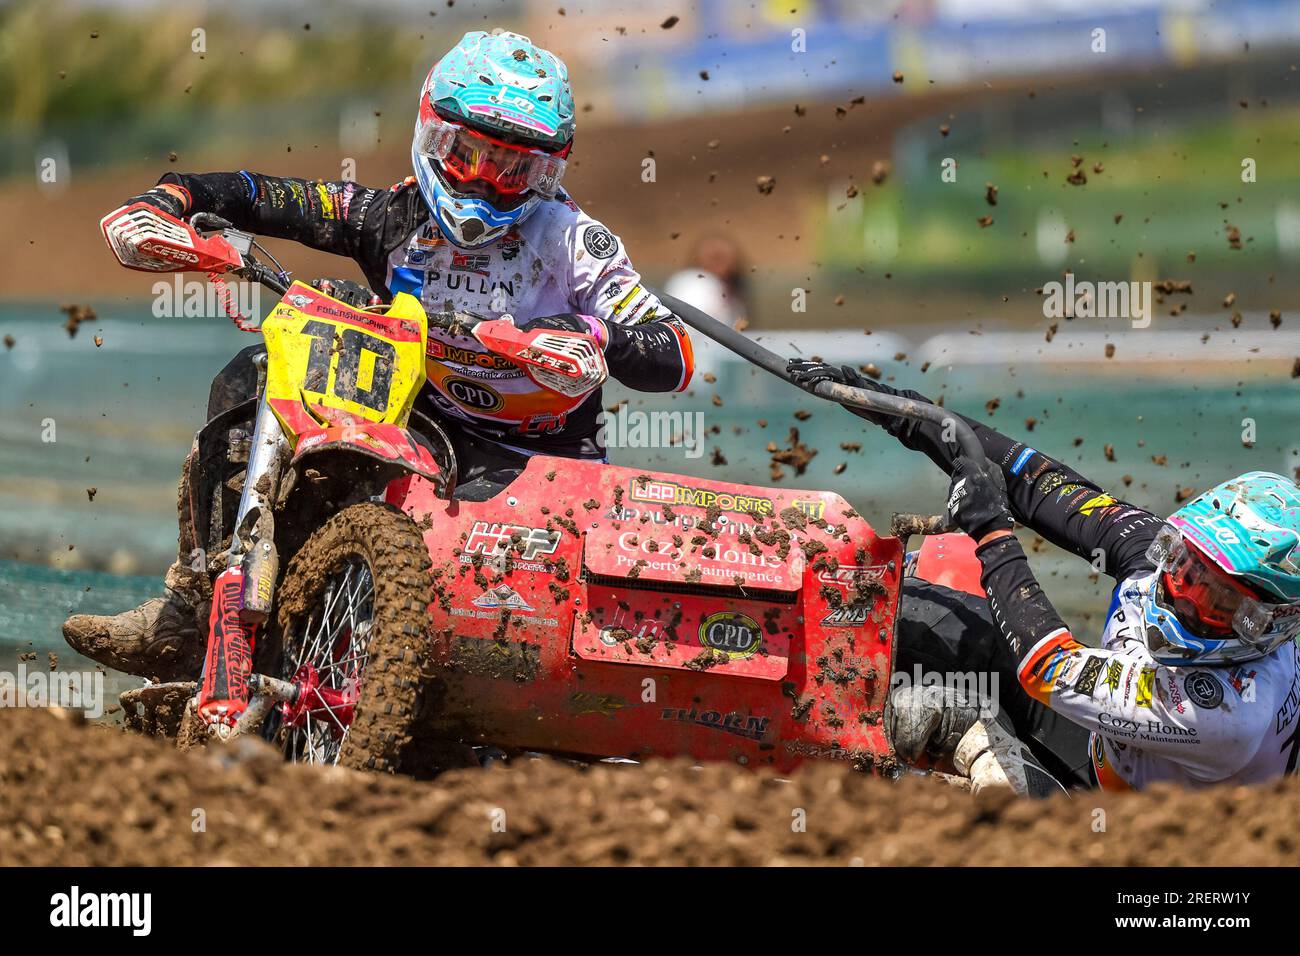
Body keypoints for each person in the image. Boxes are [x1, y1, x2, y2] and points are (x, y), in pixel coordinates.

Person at [65, 30, 694, 681]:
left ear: (548, 171)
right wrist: (170, 199)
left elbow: (672, 351)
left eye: (515, 169)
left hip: (544, 463)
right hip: (419, 432)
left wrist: (596, 338)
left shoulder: (575, 244)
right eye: (468, 154)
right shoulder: (390, 217)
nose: (487, 181)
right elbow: (264, 195)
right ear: (432, 134)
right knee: (253, 377)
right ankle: (193, 610)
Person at [789, 360, 1300, 795]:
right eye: (1187, 570)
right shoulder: (1160, 556)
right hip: (1103, 744)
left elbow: (1048, 666)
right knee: (918, 599)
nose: (1181, 600)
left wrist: (991, 530)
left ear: (1267, 625)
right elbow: (1038, 482)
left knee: (942, 713)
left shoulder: (1227, 711)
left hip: (1122, 821)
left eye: (1217, 604)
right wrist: (897, 409)